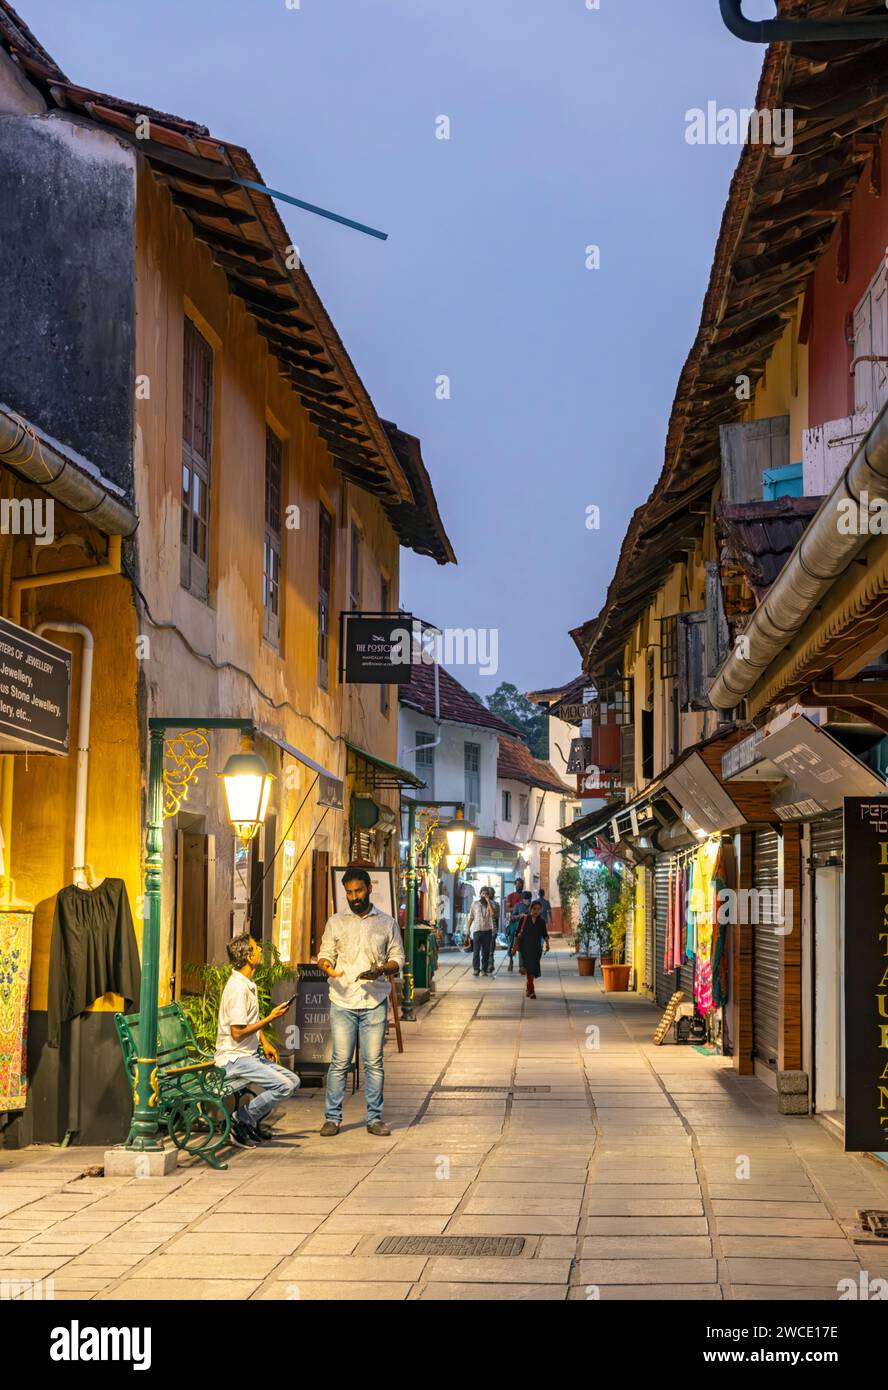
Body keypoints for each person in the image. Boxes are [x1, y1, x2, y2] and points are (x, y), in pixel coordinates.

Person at [317, 867, 405, 1137]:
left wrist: (381, 969)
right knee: (340, 1061)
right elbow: (325, 954)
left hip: (374, 1000)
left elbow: (397, 958)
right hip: (342, 1000)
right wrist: (326, 967)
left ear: (369, 888)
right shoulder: (335, 922)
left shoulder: (387, 922)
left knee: (374, 1062)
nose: (354, 897)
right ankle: (332, 1118)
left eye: (358, 891)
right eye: (349, 893)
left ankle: (374, 1118)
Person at [214, 933, 300, 1148]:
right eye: (256, 948)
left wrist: (264, 1042)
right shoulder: (237, 989)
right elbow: (237, 1032)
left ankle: (247, 1121)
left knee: (294, 1081)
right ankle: (240, 1120)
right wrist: (271, 1018)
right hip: (235, 1059)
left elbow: (248, 1021)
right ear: (248, 956)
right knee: (283, 1086)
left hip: (250, 1054)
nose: (261, 950)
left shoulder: (247, 983)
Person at [512, 898, 550, 999]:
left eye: (538, 909)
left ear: (541, 910)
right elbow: (517, 934)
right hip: (525, 948)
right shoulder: (524, 919)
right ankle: (531, 989)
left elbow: (545, 934)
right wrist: (514, 947)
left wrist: (547, 944)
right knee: (529, 968)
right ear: (530, 909)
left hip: (536, 948)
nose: (536, 911)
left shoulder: (541, 921)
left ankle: (529, 988)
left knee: (533, 968)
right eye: (534, 909)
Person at [465, 888, 496, 977]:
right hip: (477, 931)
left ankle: (484, 969)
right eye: (483, 893)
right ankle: (476, 969)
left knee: (486, 952)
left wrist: (488, 901)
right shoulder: (474, 904)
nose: (484, 895)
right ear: (480, 894)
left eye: (486, 894)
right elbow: (471, 917)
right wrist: (468, 929)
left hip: (487, 931)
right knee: (476, 951)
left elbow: (493, 914)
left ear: (489, 895)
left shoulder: (491, 904)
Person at [506, 890, 532, 971]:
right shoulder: (517, 906)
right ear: (522, 899)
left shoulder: (532, 906)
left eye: (528, 899)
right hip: (516, 928)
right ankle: (511, 962)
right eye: (525, 899)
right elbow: (512, 917)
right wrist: (519, 916)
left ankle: (522, 966)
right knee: (511, 945)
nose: (526, 901)